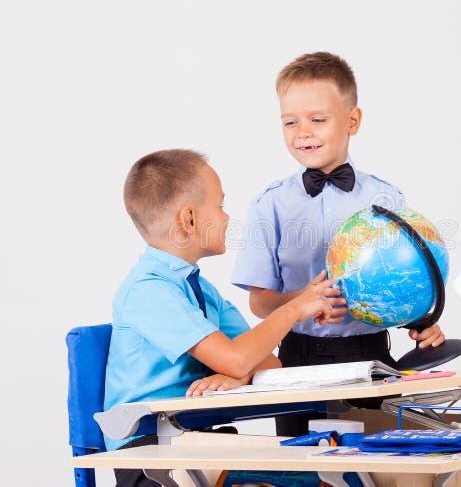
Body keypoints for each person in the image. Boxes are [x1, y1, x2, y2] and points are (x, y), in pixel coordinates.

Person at [231, 52, 446, 436]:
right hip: (297, 361)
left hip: (371, 355)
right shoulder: (270, 205)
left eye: (318, 119)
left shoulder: (387, 200)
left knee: (379, 465)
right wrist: (301, 302)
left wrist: (422, 322)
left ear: (352, 121)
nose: (303, 132)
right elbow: (260, 302)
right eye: (290, 122)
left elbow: (404, 282)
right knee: (306, 472)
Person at [104, 149, 343, 487]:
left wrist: (239, 377)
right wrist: (294, 307)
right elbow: (234, 358)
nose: (228, 217)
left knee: (324, 477)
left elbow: (268, 368)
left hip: (194, 444)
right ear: (188, 219)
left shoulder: (199, 288)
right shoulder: (148, 290)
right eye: (219, 206)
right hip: (148, 459)